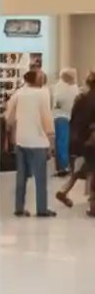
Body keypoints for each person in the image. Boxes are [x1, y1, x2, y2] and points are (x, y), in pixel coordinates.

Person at [6, 68, 57, 217]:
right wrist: (51, 138)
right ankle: (41, 209)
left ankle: (19, 207)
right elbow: (46, 117)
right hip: (38, 141)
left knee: (21, 176)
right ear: (34, 79)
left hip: (21, 140)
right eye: (41, 76)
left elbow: (9, 116)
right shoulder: (43, 93)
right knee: (40, 178)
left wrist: (13, 134)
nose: (44, 78)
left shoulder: (18, 93)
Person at [56, 71, 95, 215]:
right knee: (90, 170)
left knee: (86, 168)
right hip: (92, 139)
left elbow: (73, 119)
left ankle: (64, 190)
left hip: (80, 139)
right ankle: (92, 205)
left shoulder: (80, 98)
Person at [52, 69, 80, 177]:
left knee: (63, 142)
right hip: (63, 117)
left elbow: (58, 102)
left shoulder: (64, 87)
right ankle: (63, 166)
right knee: (63, 142)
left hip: (64, 117)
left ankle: (63, 166)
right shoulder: (65, 87)